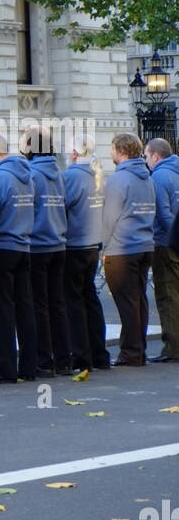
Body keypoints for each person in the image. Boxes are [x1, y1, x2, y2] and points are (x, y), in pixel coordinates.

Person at [0, 133, 36, 383]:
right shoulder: (27, 177)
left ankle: (6, 367)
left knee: (3, 310)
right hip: (24, 245)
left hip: (1, 246)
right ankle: (29, 365)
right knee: (25, 308)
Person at [102, 132, 156, 367]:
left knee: (127, 303)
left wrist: (102, 246)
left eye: (112, 149)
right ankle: (138, 349)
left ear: (120, 151)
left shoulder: (118, 180)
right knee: (138, 300)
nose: (111, 153)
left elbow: (109, 218)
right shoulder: (147, 176)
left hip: (122, 247)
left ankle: (131, 352)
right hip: (145, 244)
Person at [22, 125, 71, 376]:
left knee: (39, 305)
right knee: (58, 303)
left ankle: (44, 359)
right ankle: (64, 359)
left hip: (38, 245)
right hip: (59, 243)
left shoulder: (31, 175)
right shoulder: (59, 173)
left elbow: (27, 208)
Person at [63, 140, 109, 371]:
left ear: (73, 153)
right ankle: (99, 353)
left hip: (75, 244)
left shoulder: (72, 176)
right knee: (90, 297)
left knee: (74, 302)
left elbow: (63, 208)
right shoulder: (97, 174)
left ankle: (81, 356)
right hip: (93, 243)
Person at [143, 137, 179, 362]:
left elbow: (164, 214)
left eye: (146, 156)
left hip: (166, 243)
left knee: (167, 296)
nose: (145, 160)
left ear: (156, 156)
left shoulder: (158, 176)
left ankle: (173, 347)